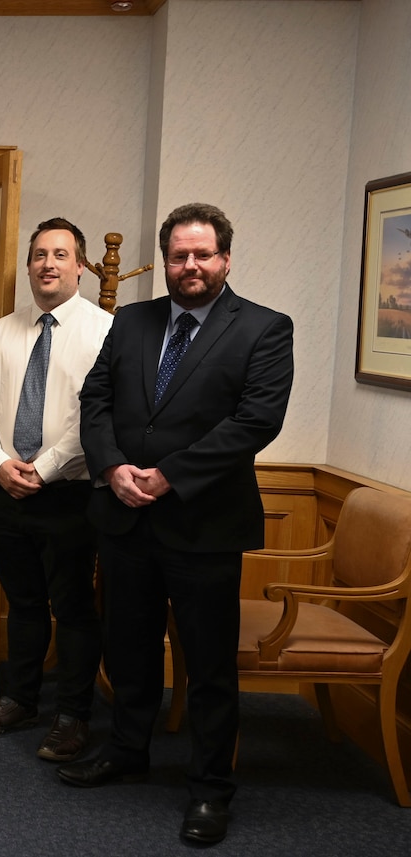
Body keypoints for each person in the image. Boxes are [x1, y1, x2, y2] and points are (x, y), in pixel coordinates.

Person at [61, 203, 294, 846]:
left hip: (204, 526)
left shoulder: (266, 328)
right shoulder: (132, 320)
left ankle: (211, 787)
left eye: (202, 254)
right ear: (164, 260)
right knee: (128, 648)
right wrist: (111, 469)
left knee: (210, 665)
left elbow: (255, 423)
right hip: (125, 517)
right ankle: (127, 750)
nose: (189, 266)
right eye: (178, 256)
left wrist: (168, 476)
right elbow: (96, 398)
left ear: (225, 258)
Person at [0, 218, 112, 761]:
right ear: (29, 266)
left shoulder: (104, 332)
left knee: (72, 608)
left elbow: (96, 418)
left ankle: (72, 716)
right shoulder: (2, 330)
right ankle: (20, 700)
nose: (48, 263)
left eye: (60, 254)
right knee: (22, 604)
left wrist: (42, 468)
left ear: (80, 266)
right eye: (39, 255)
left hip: (70, 495)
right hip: (6, 493)